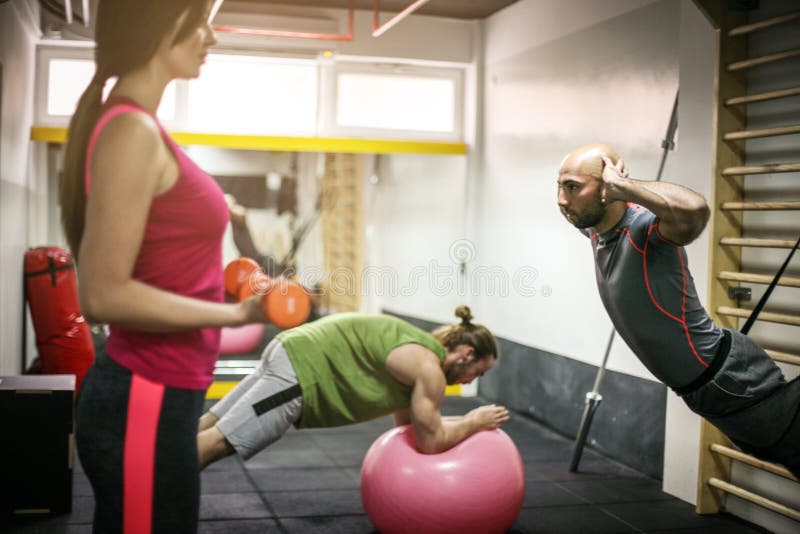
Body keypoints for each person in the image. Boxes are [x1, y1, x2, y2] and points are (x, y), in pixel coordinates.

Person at [59, 2, 265, 532]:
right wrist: (235, 315)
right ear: (158, 25)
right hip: (143, 394)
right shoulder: (132, 132)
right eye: (198, 21)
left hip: (163, 395)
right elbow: (102, 295)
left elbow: (162, 267)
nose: (210, 37)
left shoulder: (140, 127)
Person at [557, 143, 799, 476]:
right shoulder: (596, 231)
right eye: (560, 186)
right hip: (702, 386)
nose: (561, 199)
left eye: (572, 187)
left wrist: (626, 187)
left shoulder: (643, 230)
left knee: (791, 445)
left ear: (606, 190)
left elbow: (695, 210)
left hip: (726, 377)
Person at [197, 306, 510, 468]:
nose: (470, 381)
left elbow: (409, 430)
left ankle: (154, 475)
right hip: (304, 373)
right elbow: (429, 443)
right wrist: (473, 422)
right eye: (477, 372)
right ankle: (159, 503)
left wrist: (445, 428)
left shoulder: (418, 353)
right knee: (217, 443)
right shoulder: (429, 369)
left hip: (291, 351)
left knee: (208, 426)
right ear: (467, 355)